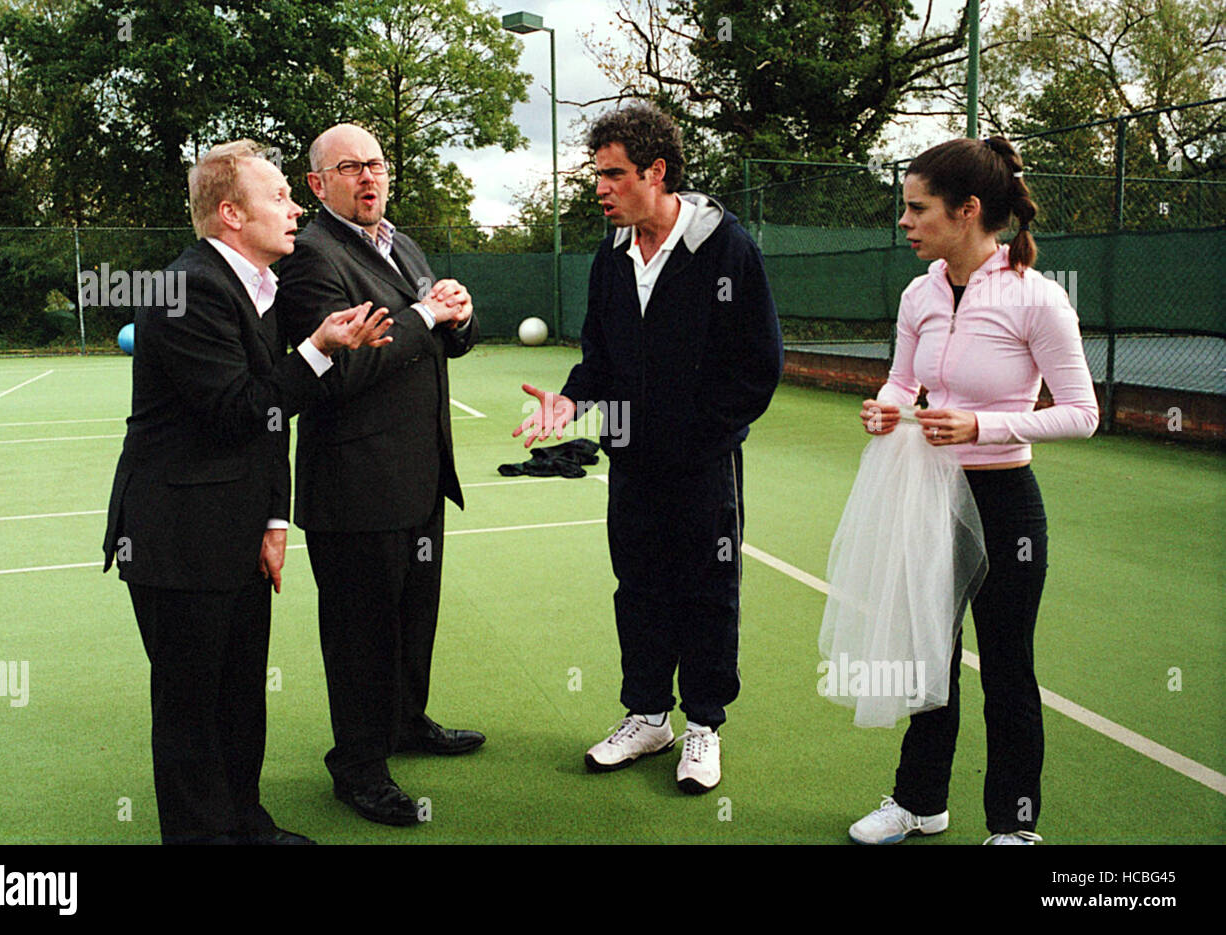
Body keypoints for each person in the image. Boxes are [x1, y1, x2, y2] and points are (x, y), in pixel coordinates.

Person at [102, 139, 393, 844]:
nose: (295, 208)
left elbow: (266, 429)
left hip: (232, 530)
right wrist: (320, 349)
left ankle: (246, 824)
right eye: (279, 198)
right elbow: (241, 407)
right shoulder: (191, 286)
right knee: (192, 710)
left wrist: (271, 519)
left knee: (239, 699)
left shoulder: (255, 284)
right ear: (231, 214)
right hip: (177, 537)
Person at [515, 102, 784, 795]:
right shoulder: (610, 256)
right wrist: (569, 402)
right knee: (638, 588)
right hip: (629, 461)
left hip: (703, 463)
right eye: (597, 175)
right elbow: (599, 356)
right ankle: (648, 715)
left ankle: (704, 724)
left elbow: (760, 366)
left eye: (613, 175)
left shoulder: (728, 249)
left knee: (707, 590)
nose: (599, 189)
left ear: (656, 172)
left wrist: (699, 434)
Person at [849, 136, 1099, 845]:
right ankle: (919, 802)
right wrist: (885, 406)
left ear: (967, 212)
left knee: (1008, 667)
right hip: (927, 495)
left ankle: (1014, 825)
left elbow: (1082, 413)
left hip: (1004, 505)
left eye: (916, 208)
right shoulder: (918, 292)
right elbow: (903, 380)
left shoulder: (1037, 298)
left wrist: (982, 423)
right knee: (929, 657)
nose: (904, 221)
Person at [274, 123, 483, 828]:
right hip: (357, 487)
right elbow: (337, 372)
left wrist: (458, 317)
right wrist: (425, 313)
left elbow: (432, 336)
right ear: (317, 185)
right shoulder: (309, 257)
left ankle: (405, 722)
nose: (368, 178)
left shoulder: (401, 242)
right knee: (361, 633)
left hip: (420, 477)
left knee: (411, 618)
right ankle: (358, 765)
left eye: (376, 164)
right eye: (349, 168)